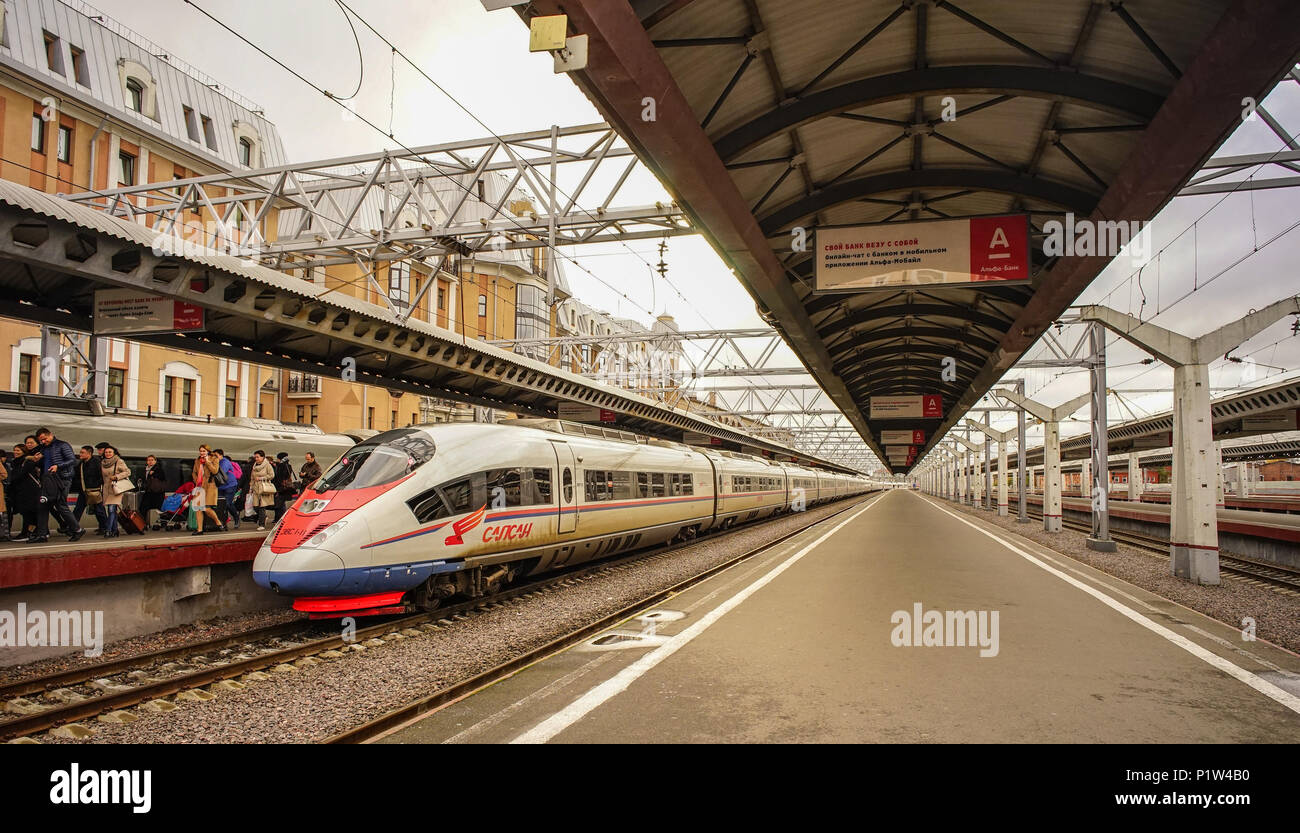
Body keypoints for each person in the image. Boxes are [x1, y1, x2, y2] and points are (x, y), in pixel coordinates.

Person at [32, 427, 83, 543]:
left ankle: (77, 529)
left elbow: (73, 460)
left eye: (44, 439)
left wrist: (58, 466)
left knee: (61, 505)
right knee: (43, 505)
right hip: (48, 480)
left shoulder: (62, 445)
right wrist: (37, 460)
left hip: (61, 479)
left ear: (50, 435)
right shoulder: (44, 449)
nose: (43, 442)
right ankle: (42, 534)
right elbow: (44, 464)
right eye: (41, 440)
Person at [191, 444, 226, 535]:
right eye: (201, 451)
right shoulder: (197, 460)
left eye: (204, 451)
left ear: (208, 451)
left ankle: (218, 522)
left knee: (206, 508)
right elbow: (194, 472)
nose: (202, 453)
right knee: (198, 508)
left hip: (210, 486)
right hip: (199, 486)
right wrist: (196, 481)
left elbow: (215, 471)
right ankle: (200, 530)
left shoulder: (214, 459)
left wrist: (207, 461)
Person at [73, 446, 108, 534]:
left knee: (99, 510)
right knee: (78, 509)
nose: (80, 454)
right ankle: (72, 527)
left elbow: (101, 476)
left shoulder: (96, 462)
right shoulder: (80, 464)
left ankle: (105, 527)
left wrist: (96, 485)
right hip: (84, 490)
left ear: (89, 453)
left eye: (82, 452)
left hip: (94, 491)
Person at [7, 446, 39, 541]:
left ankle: (27, 533)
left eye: (18, 450)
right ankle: (29, 532)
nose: (15, 452)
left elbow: (19, 475)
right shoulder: (15, 462)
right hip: (20, 491)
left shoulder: (27, 462)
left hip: (30, 490)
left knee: (29, 512)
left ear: (23, 452)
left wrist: (9, 480)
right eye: (14, 450)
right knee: (25, 512)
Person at [98, 446, 131, 538]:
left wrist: (117, 477)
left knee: (111, 509)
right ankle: (115, 530)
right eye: (106, 452)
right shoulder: (103, 463)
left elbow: (128, 472)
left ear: (114, 453)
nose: (107, 454)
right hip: (106, 489)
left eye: (110, 452)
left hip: (116, 489)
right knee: (111, 511)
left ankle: (108, 530)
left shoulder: (119, 461)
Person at [212, 449, 240, 530]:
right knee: (220, 505)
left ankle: (236, 517)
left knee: (227, 504)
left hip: (230, 485)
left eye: (216, 456)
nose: (214, 457)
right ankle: (223, 523)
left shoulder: (225, 462)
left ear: (221, 455)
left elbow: (219, 472)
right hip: (220, 487)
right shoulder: (216, 462)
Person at [250, 450, 276, 531]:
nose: (256, 459)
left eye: (258, 457)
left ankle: (261, 524)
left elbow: (272, 475)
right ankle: (264, 517)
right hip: (255, 488)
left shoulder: (267, 465)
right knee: (255, 506)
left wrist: (261, 478)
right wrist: (251, 486)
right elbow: (252, 477)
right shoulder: (254, 466)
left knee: (262, 506)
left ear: (263, 457)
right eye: (255, 457)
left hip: (264, 487)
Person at [140, 455, 167, 529]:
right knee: (143, 508)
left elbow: (162, 477)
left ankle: (164, 523)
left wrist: (154, 473)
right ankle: (142, 524)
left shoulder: (158, 468)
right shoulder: (146, 469)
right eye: (148, 460)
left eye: (152, 460)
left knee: (160, 508)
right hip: (149, 492)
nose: (150, 462)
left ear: (155, 461)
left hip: (158, 492)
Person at [273, 452, 295, 521]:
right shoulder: (286, 465)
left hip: (282, 487)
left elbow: (281, 477)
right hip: (281, 487)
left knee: (280, 502)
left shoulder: (284, 466)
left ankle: (282, 518)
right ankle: (278, 518)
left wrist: (278, 466)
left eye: (278, 458)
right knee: (279, 502)